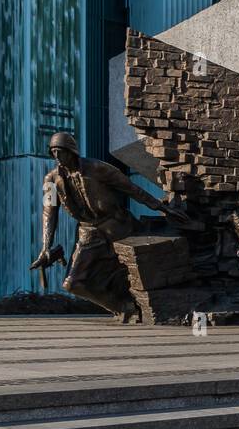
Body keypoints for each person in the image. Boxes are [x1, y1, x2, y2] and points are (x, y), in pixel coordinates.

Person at [33, 132, 189, 317]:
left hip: (117, 225)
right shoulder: (50, 180)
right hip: (88, 233)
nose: (57, 156)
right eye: (53, 152)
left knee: (129, 270)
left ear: (71, 151)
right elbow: (48, 212)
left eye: (60, 151)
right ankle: (124, 308)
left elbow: (132, 189)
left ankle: (137, 307)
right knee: (73, 284)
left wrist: (162, 208)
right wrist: (46, 246)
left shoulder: (98, 168)